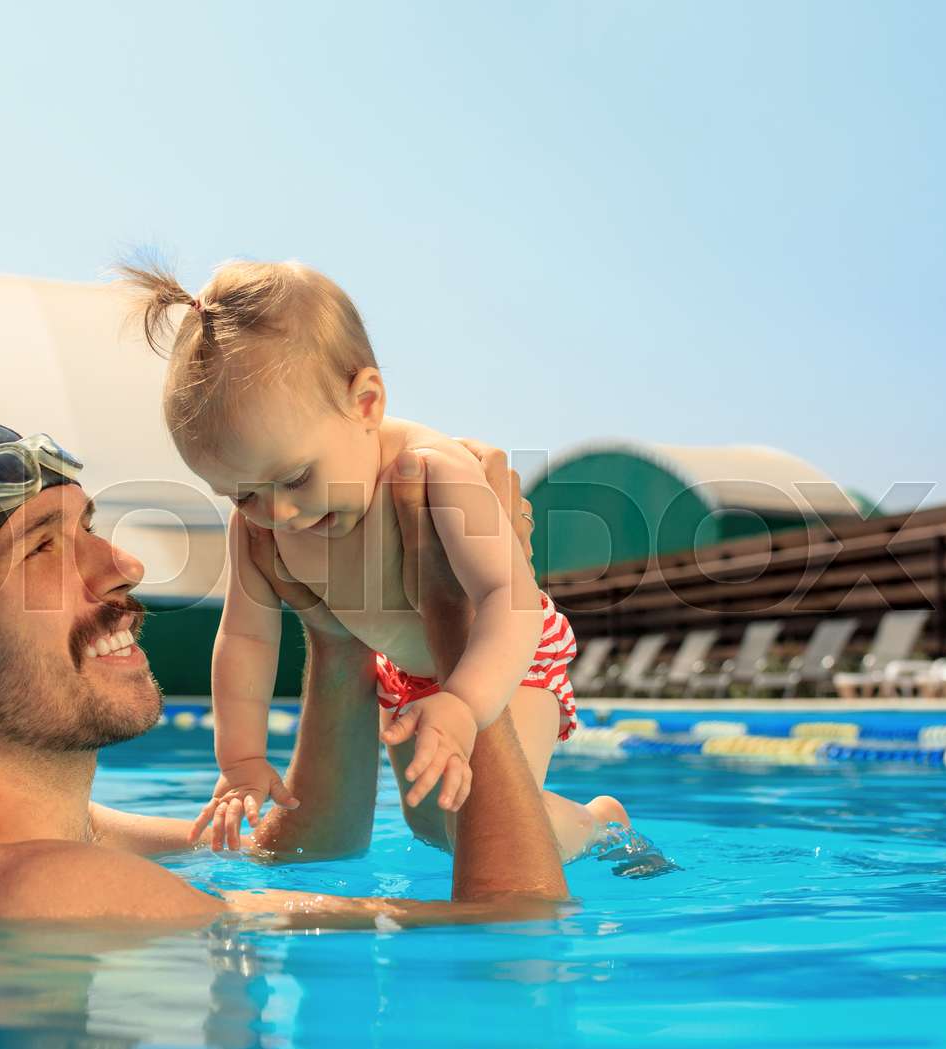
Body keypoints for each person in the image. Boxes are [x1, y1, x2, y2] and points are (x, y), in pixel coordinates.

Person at [0, 416, 572, 925]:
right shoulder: (37, 892)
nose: (123, 563)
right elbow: (517, 925)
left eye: (90, 526)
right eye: (45, 547)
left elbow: (295, 853)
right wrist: (455, 608)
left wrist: (335, 631)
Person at [116, 260, 625, 859]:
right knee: (429, 827)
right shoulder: (259, 527)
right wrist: (242, 759)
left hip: (507, 652)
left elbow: (505, 598)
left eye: (297, 478)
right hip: (407, 672)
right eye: (243, 493)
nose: (278, 513)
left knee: (478, 826)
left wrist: (463, 706)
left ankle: (597, 827)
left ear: (366, 403)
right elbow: (246, 639)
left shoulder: (436, 472)